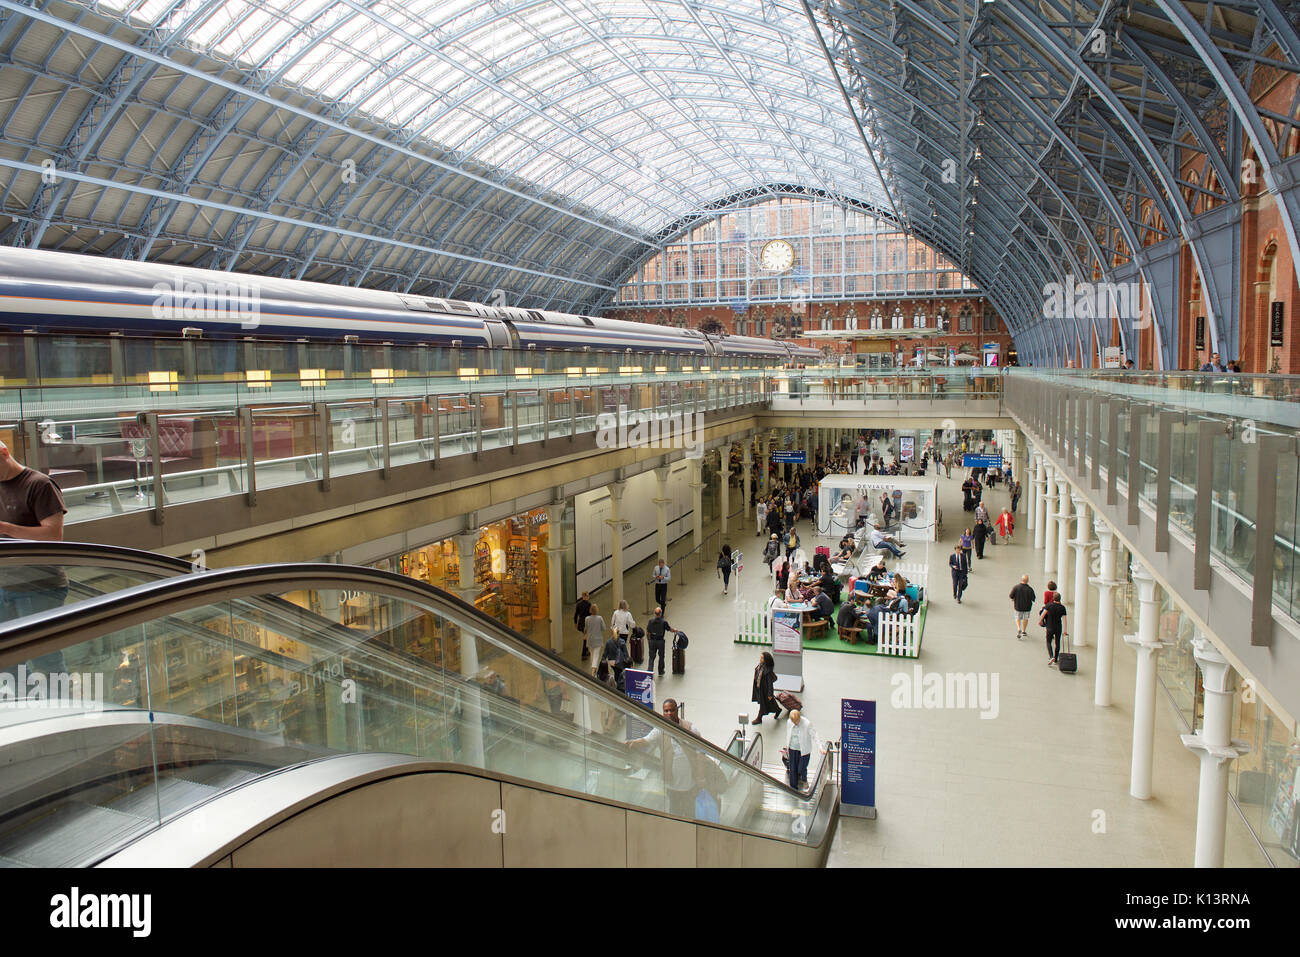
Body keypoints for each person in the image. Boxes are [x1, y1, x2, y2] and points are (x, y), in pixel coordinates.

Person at [0, 438, 70, 676]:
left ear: (4, 453)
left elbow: (53, 535)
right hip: (4, 584)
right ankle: (24, 710)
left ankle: (60, 711)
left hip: (39, 585)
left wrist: (6, 529)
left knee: (45, 657)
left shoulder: (40, 485)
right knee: (7, 659)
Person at [628, 698, 699, 816]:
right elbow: (647, 740)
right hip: (672, 783)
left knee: (690, 813)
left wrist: (700, 775)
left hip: (689, 783)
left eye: (672, 710)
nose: (669, 713)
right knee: (674, 811)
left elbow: (700, 752)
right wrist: (632, 743)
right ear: (663, 712)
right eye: (666, 711)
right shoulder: (660, 729)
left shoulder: (689, 728)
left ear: (677, 710)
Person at [786, 709, 819, 789]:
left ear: (799, 718)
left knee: (801, 768)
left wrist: (820, 747)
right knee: (792, 769)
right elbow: (788, 734)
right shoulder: (789, 721)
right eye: (793, 721)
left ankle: (804, 779)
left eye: (796, 721)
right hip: (792, 748)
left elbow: (815, 735)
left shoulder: (807, 724)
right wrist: (787, 746)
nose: (794, 723)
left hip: (803, 750)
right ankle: (793, 787)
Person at [751, 651, 781, 724]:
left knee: (763, 704)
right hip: (760, 689)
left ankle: (759, 718)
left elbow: (770, 684)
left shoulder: (767, 671)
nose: (760, 659)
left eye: (762, 658)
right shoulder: (760, 666)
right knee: (770, 703)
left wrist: (770, 694)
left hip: (765, 691)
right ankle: (777, 710)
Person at [1040, 595, 1067, 666]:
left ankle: (1051, 656)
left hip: (1049, 627)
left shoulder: (1049, 605)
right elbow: (1064, 620)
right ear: (1060, 599)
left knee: (1048, 642)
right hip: (1058, 627)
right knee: (1057, 643)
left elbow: (1043, 614)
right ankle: (1055, 658)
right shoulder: (1062, 607)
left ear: (1053, 598)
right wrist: (1065, 630)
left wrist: (1040, 621)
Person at [645, 606, 672, 677]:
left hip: (652, 641)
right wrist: (675, 630)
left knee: (651, 657)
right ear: (661, 613)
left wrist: (649, 640)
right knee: (661, 656)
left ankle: (650, 672)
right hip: (660, 641)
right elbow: (669, 629)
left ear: (654, 613)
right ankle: (661, 671)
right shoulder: (664, 622)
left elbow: (647, 632)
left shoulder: (650, 621)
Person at [1008, 575, 1036, 640]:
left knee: (1017, 617)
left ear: (1021, 580)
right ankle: (1023, 631)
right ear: (1028, 581)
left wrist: (1014, 598)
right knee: (1025, 618)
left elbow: (1011, 596)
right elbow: (1033, 598)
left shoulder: (1016, 587)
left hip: (1018, 606)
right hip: (1027, 607)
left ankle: (1018, 628)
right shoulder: (1030, 589)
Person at [583, 602, 607, 676]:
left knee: (592, 655)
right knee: (596, 655)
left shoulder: (587, 619)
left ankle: (593, 668)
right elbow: (604, 628)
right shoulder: (599, 618)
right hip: (598, 639)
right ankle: (593, 670)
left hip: (590, 640)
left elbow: (585, 628)